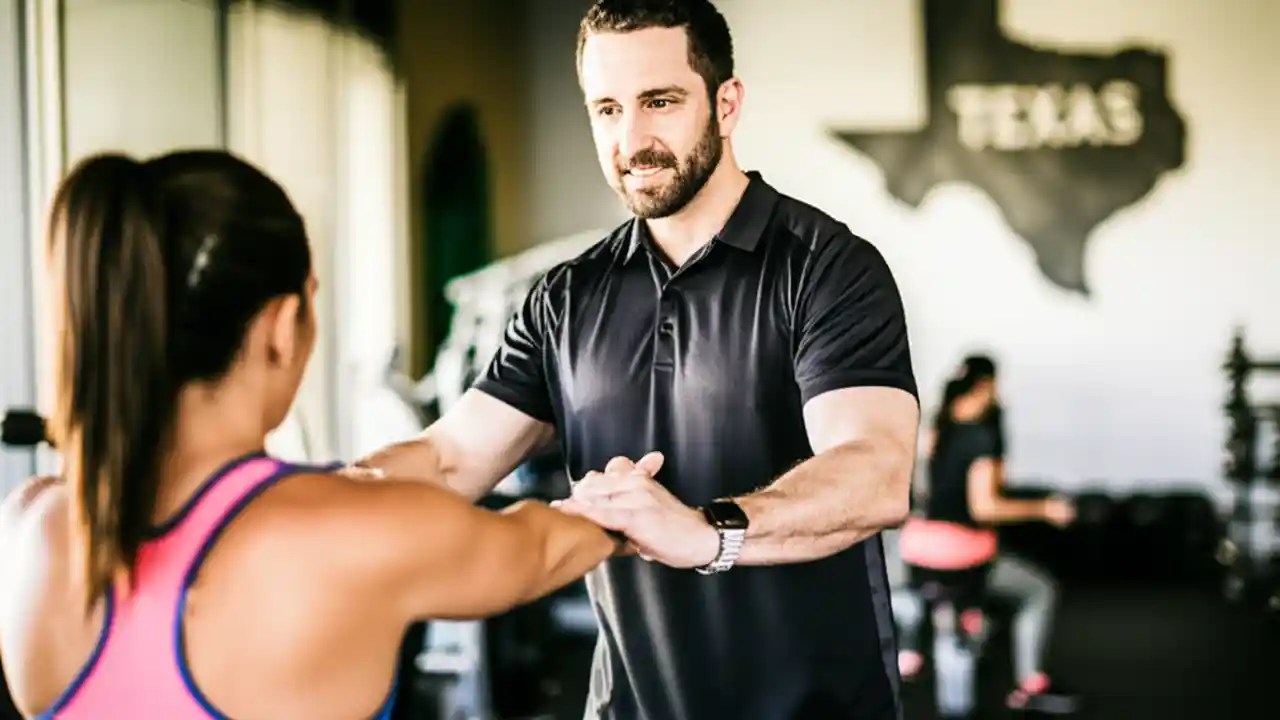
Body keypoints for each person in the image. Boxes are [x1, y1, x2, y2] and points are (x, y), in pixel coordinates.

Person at [354, 1, 921, 717]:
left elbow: (875, 471)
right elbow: (448, 460)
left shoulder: (825, 268)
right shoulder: (565, 297)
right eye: (607, 109)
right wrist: (310, 498)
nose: (632, 139)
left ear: (726, 104)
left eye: (659, 102)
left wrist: (708, 533)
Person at [0, 150, 624, 719]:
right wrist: (621, 504)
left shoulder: (31, 525)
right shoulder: (356, 534)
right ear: (281, 325)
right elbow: (540, 550)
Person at [892, 355, 1081, 714]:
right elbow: (985, 508)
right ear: (985, 385)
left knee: (918, 580)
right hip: (962, 556)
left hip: (916, 549)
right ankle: (1030, 684)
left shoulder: (933, 427)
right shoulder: (981, 434)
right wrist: (1045, 509)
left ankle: (919, 630)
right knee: (1039, 590)